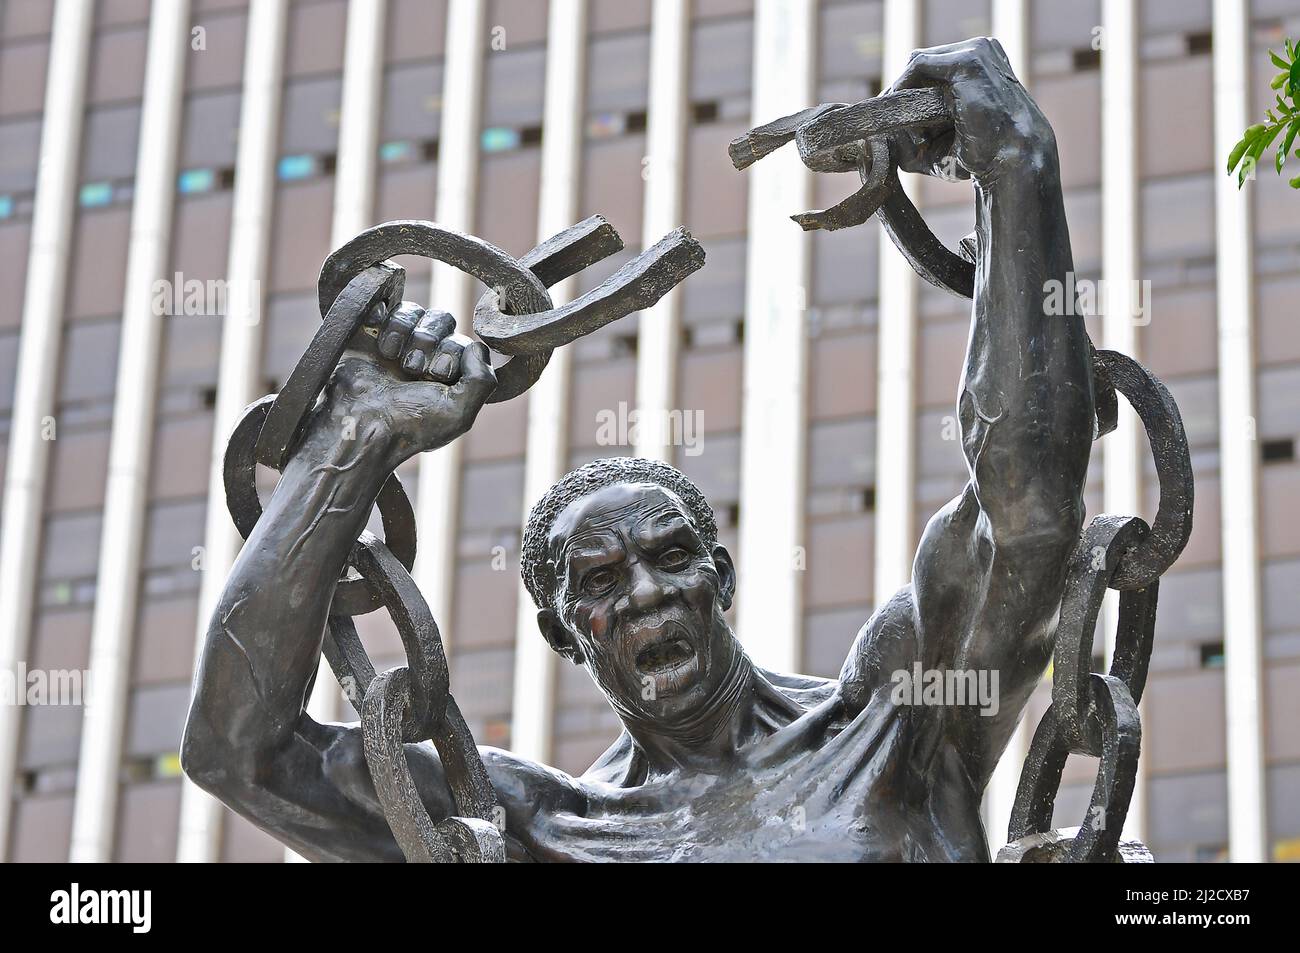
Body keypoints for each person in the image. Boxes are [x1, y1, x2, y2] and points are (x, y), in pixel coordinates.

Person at [182, 38, 1094, 862]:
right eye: (604, 581)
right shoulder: (540, 828)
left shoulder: (893, 721)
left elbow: (1029, 511)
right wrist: (356, 438)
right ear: (564, 634)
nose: (648, 592)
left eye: (668, 558)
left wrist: (1018, 170)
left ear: (720, 576)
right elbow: (240, 753)